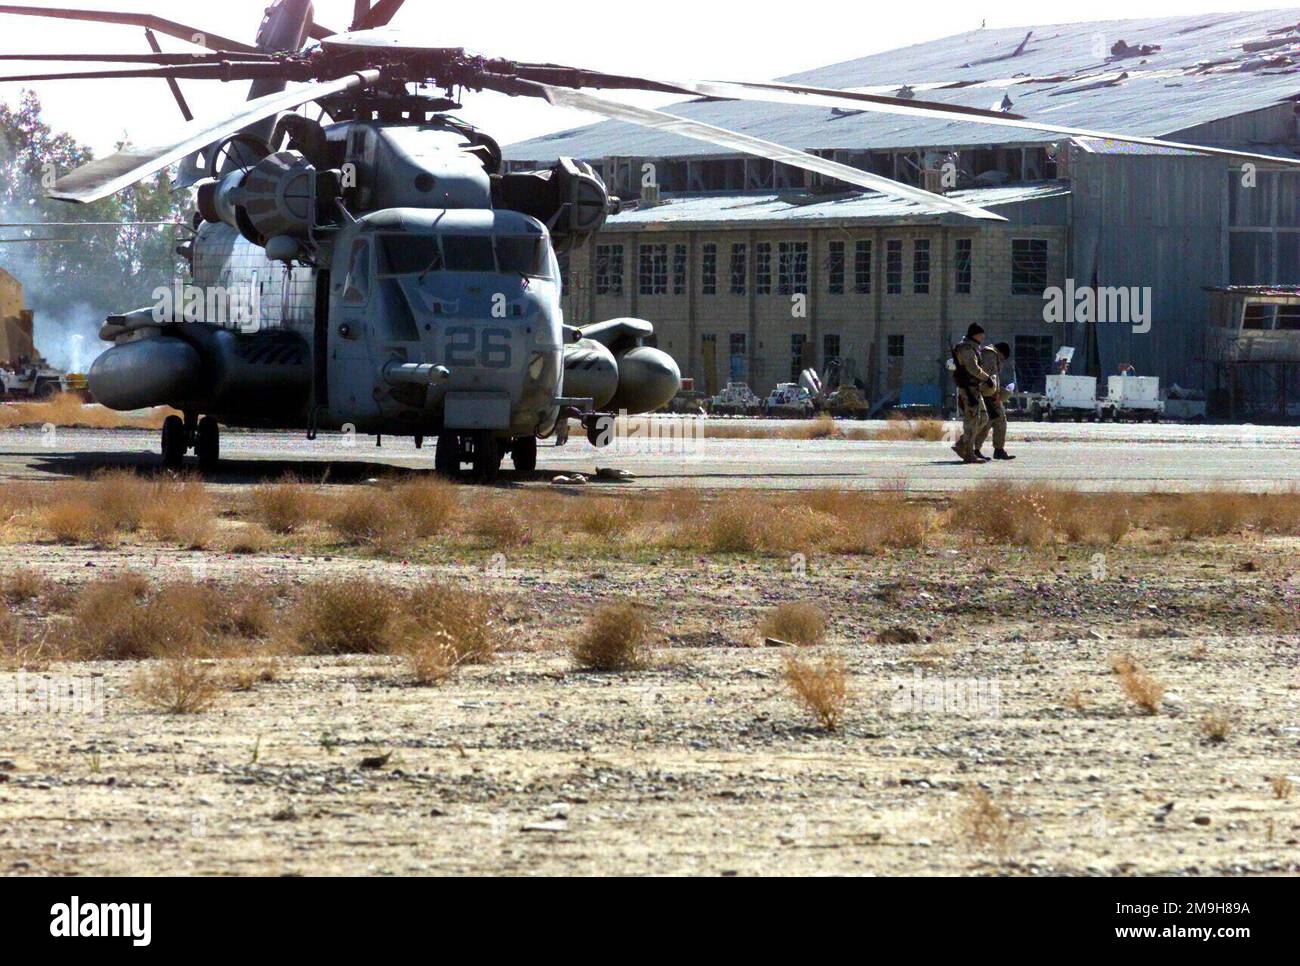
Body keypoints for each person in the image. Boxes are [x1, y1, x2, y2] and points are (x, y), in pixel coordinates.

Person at [950, 323, 993, 463]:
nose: (983, 337)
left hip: (974, 388)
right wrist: (987, 378)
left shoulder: (972, 347)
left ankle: (963, 443)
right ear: (975, 335)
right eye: (981, 334)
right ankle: (968, 453)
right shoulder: (967, 348)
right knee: (972, 420)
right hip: (968, 389)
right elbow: (973, 368)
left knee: (983, 417)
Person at [972, 341, 1015, 461]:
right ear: (1001, 353)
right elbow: (986, 377)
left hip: (990, 394)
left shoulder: (992, 356)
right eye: (1003, 359)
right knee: (987, 422)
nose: (1002, 361)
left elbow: (994, 378)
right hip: (985, 395)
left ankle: (998, 450)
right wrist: (994, 394)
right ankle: (975, 449)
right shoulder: (990, 356)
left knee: (999, 420)